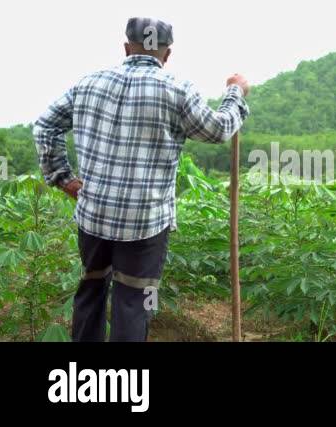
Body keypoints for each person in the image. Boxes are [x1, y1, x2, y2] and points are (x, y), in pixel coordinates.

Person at [33, 17, 250, 342]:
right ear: (167, 54)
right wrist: (235, 93)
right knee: (135, 299)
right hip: (145, 222)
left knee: (91, 288)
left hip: (94, 215)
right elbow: (219, 129)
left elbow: (44, 126)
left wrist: (63, 179)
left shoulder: (88, 83)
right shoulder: (178, 89)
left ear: (125, 47)